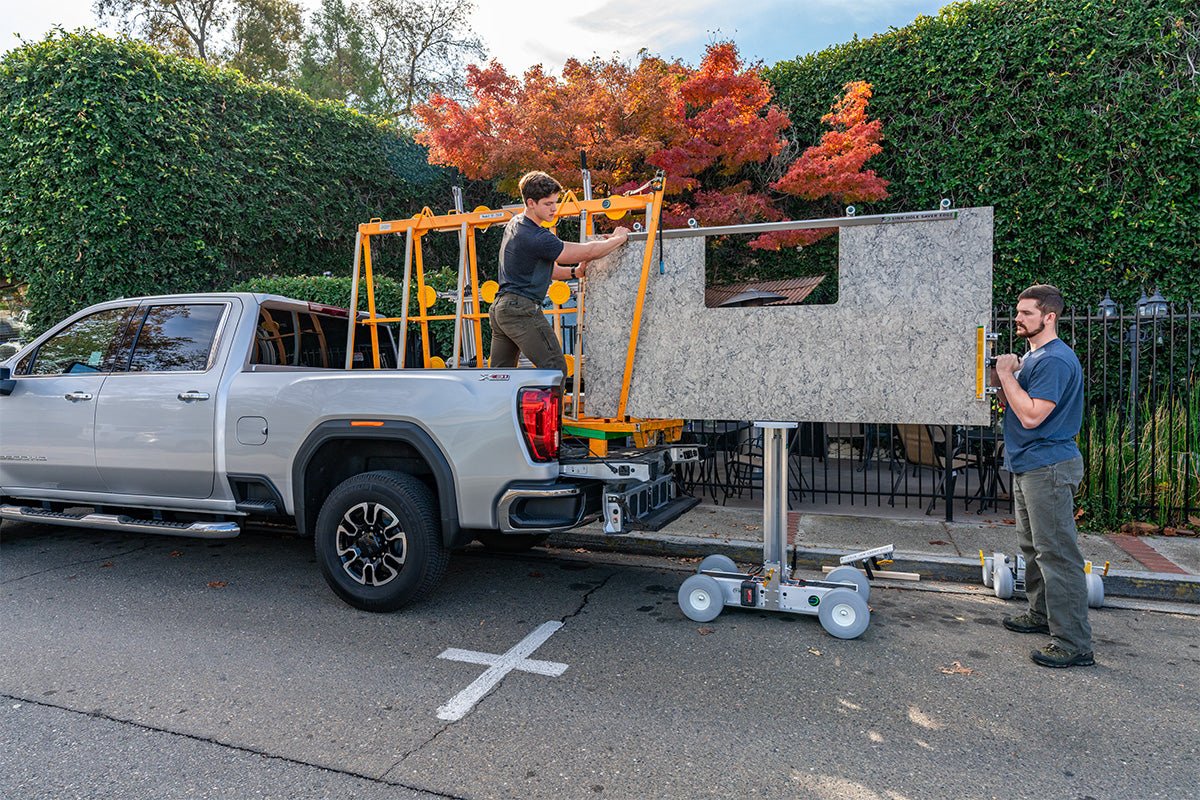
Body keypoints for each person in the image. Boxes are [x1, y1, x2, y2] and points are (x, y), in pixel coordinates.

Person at [993, 284, 1092, 668]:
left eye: (1027, 313)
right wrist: (1006, 378)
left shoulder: (1054, 360)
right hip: (1029, 463)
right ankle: (1039, 614)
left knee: (1057, 553)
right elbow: (1015, 405)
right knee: (1033, 547)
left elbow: (1033, 414)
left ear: (1049, 317)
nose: (1018, 318)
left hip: (1048, 465)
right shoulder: (1034, 358)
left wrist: (1006, 372)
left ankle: (1073, 643)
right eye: (1018, 312)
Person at [488, 171, 631, 375]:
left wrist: (576, 272)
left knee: (500, 376)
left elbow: (547, 269)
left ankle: (501, 408)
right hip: (520, 309)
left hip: (501, 310)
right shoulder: (537, 236)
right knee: (555, 368)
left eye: (555, 202)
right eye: (548, 204)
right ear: (530, 203)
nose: (554, 209)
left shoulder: (516, 224)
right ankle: (543, 409)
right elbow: (588, 251)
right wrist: (618, 238)